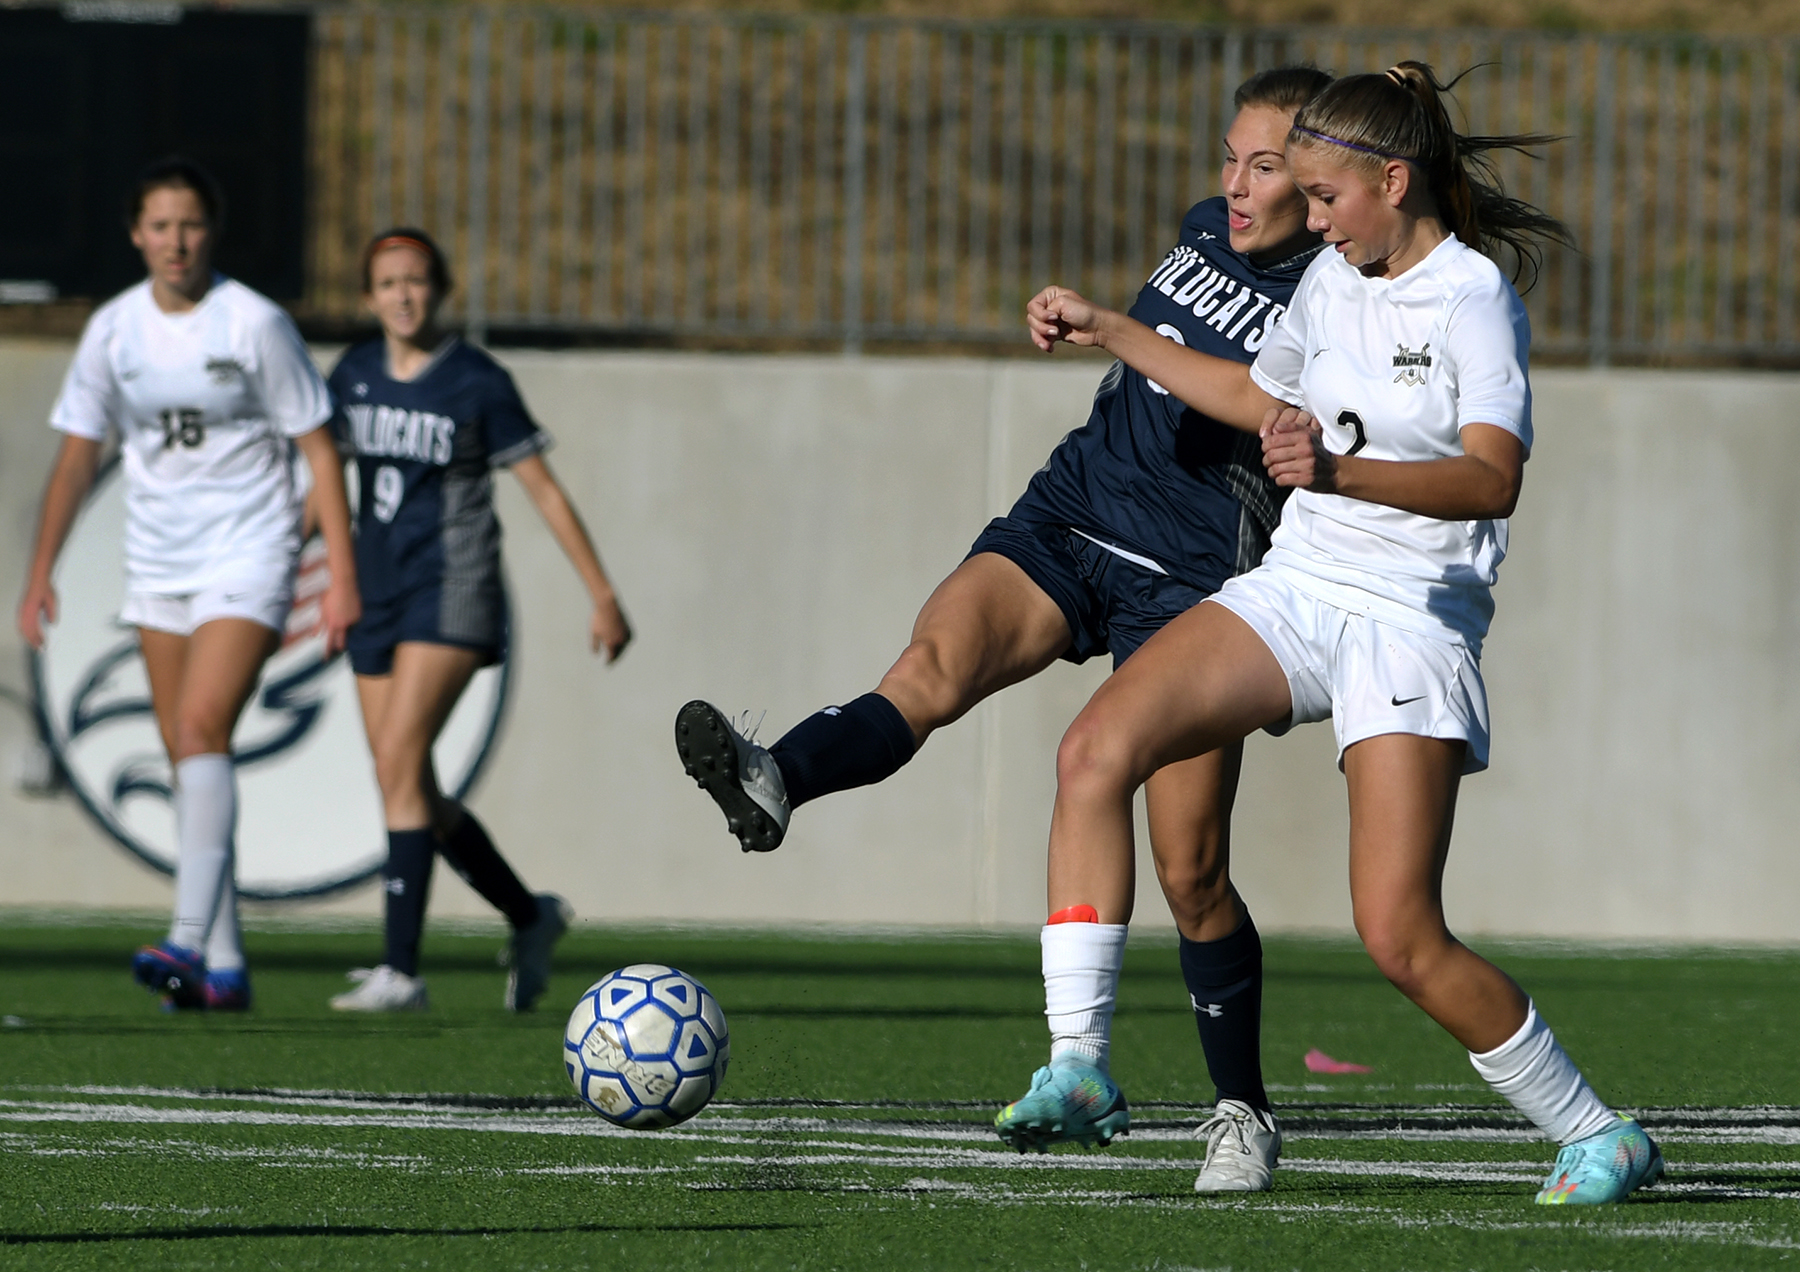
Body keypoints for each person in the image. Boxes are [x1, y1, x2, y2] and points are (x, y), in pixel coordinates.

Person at [1013, 64, 1662, 1205]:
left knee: (1399, 934)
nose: (1308, 219)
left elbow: (1492, 479)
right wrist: (1113, 327)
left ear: (1391, 181)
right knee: (1093, 753)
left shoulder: (1469, 298)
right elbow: (1255, 398)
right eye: (1303, 196)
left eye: (1324, 197)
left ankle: (1601, 1132)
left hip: (1413, 622)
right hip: (1300, 586)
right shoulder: (1329, 279)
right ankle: (1079, 1066)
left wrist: (1341, 469)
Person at [674, 67, 1332, 1192]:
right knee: (929, 668)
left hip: (1192, 585)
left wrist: (1118, 329)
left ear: (1318, 181)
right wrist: (1071, 319)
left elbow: (1256, 403)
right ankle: (775, 776)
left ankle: (1242, 1113)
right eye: (1227, 155)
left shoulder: (1337, 291)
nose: (1232, 184)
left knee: (1193, 871)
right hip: (1072, 516)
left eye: (1262, 166)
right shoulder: (1198, 228)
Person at [16, 157, 361, 1012]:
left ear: (214, 232)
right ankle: (231, 971)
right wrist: (40, 573)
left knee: (204, 726)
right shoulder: (114, 330)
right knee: (186, 751)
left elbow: (320, 449)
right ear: (137, 234)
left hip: (251, 552)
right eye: (160, 226)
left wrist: (342, 575)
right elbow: (75, 457)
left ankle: (189, 942)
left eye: (191, 225)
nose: (177, 241)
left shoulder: (254, 323)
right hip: (158, 560)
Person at [323, 227, 631, 1013]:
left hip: (453, 590)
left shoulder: (475, 380)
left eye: (418, 280)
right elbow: (323, 489)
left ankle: (401, 971)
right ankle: (530, 916)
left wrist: (600, 593)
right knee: (408, 782)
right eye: (387, 282)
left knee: (397, 760)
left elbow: (544, 490)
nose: (403, 294)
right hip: (378, 593)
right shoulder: (352, 374)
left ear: (442, 289)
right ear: (367, 296)